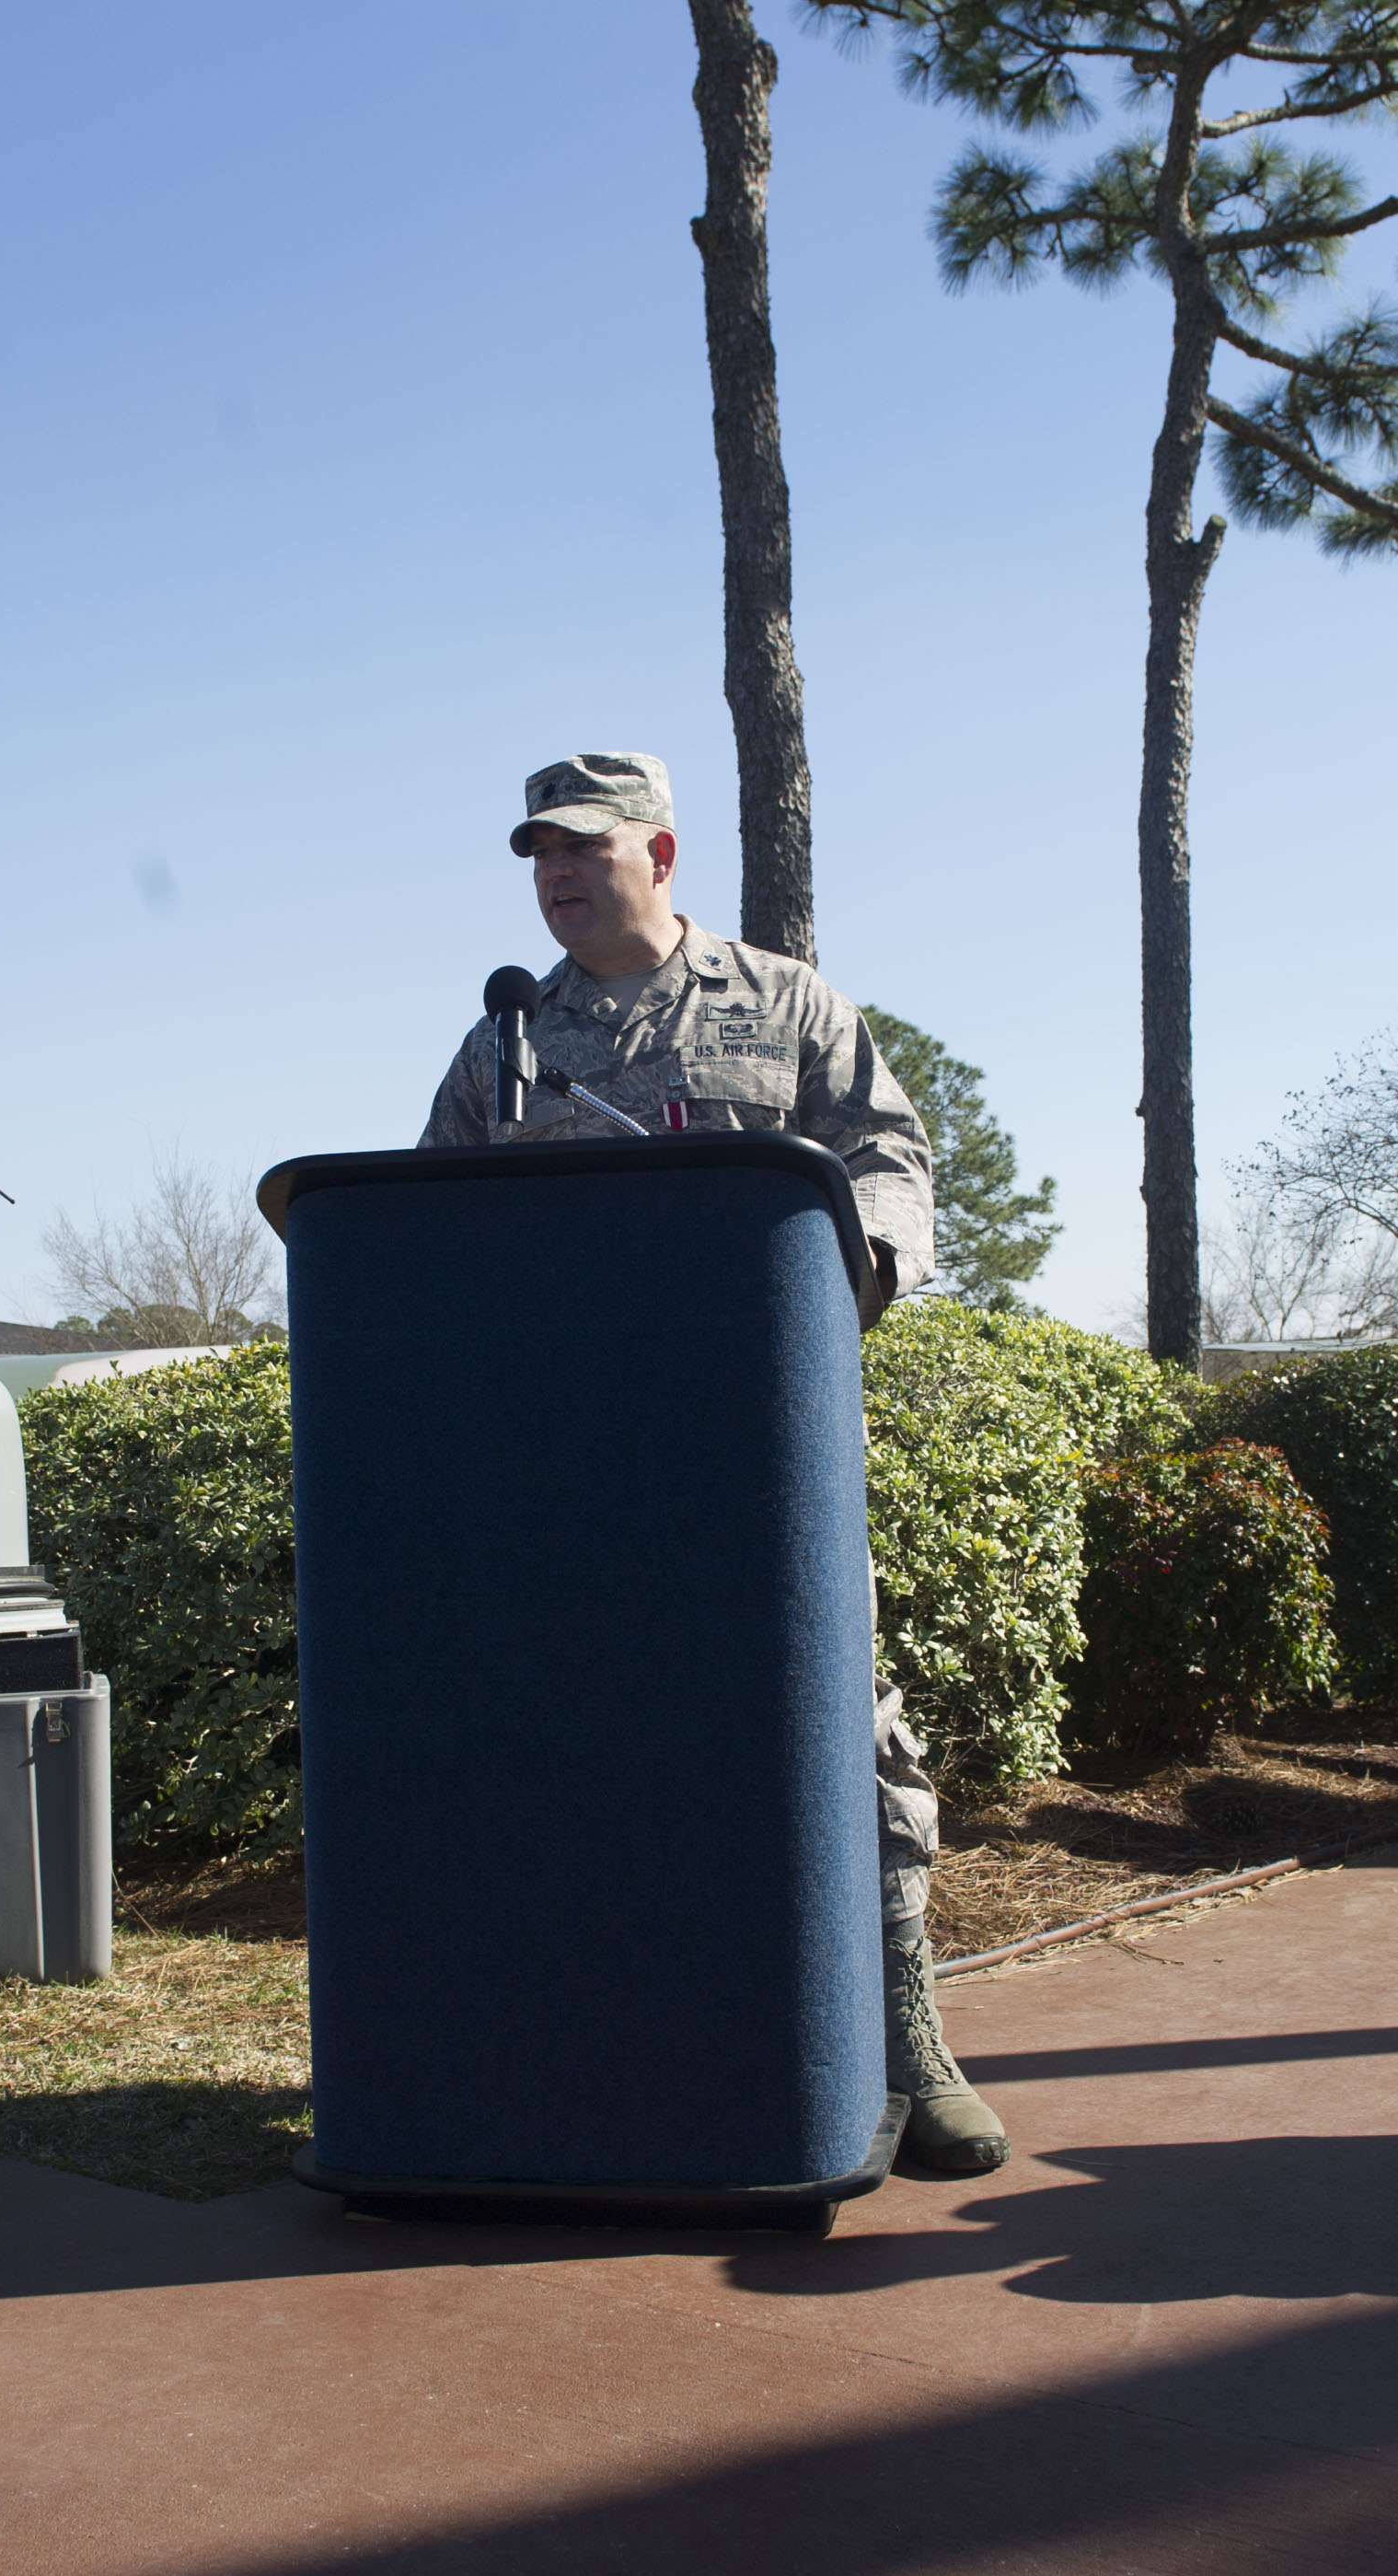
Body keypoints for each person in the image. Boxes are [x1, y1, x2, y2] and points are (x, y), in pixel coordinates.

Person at [418, 749, 999, 2180]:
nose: (556, 875)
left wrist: (849, 1260)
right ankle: (621, 2033)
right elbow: (429, 1212)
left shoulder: (783, 1000)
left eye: (585, 850)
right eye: (539, 855)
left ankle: (906, 2033)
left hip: (767, 1442)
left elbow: (892, 1156)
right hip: (579, 1467)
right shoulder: (506, 1042)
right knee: (599, 1732)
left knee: (841, 1716)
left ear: (659, 857)